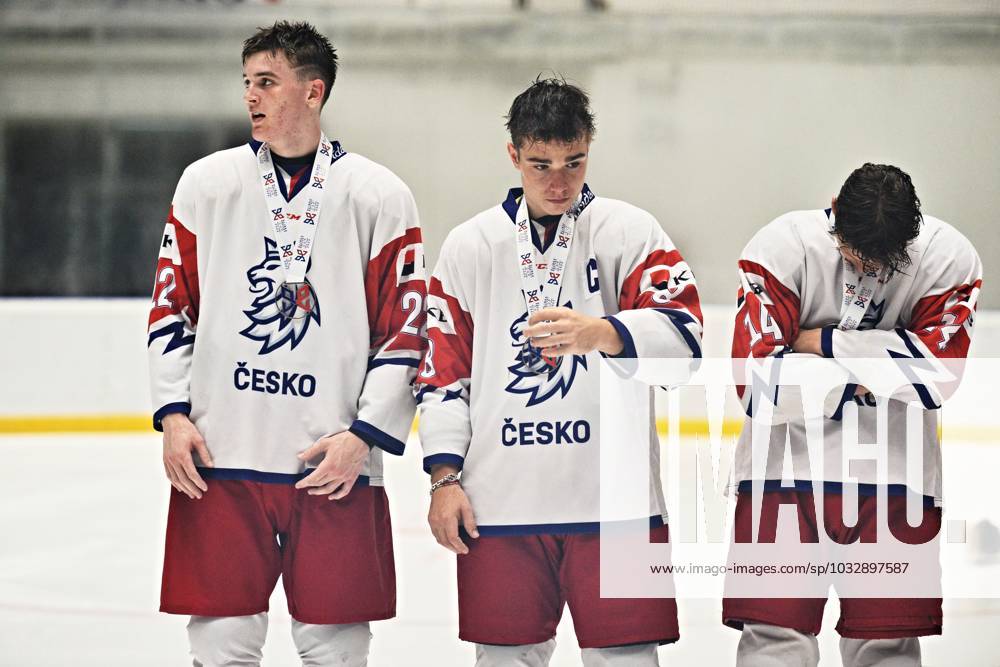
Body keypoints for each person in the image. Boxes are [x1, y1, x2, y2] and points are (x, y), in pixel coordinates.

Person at [146, 21, 425, 667]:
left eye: (267, 82)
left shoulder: (377, 194)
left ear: (313, 91)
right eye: (247, 83)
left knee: (336, 644)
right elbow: (170, 306)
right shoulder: (206, 184)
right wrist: (174, 412)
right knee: (218, 642)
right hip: (222, 455)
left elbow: (404, 328)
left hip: (332, 462)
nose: (252, 96)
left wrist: (363, 435)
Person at [415, 77, 702, 667]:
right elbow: (444, 373)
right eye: (541, 164)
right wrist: (444, 481)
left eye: (574, 163)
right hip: (501, 504)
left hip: (615, 504)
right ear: (513, 154)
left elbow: (688, 341)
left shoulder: (629, 231)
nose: (558, 182)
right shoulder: (472, 246)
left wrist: (608, 332)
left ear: (589, 149)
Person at [725, 163, 982, 666]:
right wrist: (883, 366)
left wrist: (821, 341)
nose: (868, 266)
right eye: (855, 252)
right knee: (775, 641)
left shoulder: (948, 257)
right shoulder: (781, 246)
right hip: (781, 477)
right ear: (835, 215)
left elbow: (940, 376)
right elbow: (757, 386)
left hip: (897, 483)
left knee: (886, 648)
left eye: (884, 260)